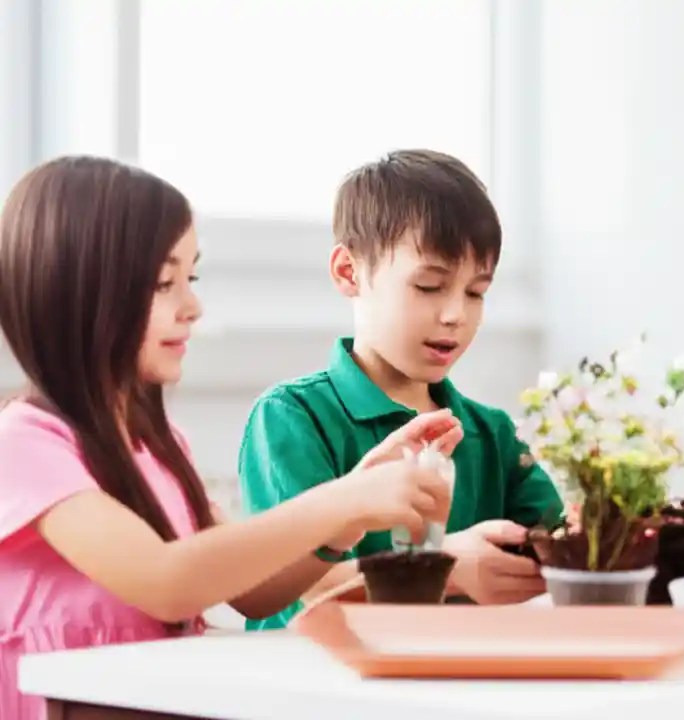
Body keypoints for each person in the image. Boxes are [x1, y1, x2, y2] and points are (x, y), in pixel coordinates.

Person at [0, 157, 455, 720]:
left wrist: (352, 513)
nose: (192, 306)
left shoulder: (160, 445)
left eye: (190, 279)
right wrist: (342, 500)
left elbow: (253, 591)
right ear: (73, 293)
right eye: (164, 283)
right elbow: (167, 582)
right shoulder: (25, 445)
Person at [238, 150, 563, 629]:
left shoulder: (491, 434)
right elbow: (290, 587)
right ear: (349, 272)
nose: (456, 314)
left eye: (476, 292)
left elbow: (561, 541)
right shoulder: (292, 418)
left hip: (444, 688)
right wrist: (442, 567)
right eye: (430, 286)